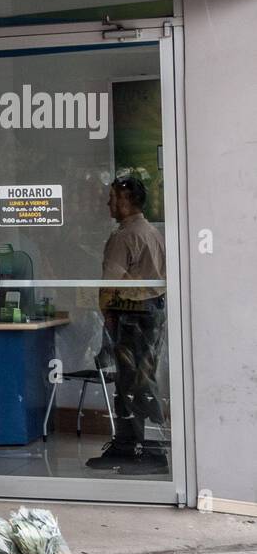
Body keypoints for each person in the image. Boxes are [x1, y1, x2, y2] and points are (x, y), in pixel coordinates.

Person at [86, 176, 168, 474]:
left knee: (134, 381)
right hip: (152, 311)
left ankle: (145, 449)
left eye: (112, 198)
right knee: (136, 379)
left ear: (125, 201)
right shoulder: (152, 232)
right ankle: (133, 445)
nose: (108, 203)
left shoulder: (124, 237)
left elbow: (110, 283)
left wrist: (106, 314)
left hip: (131, 313)